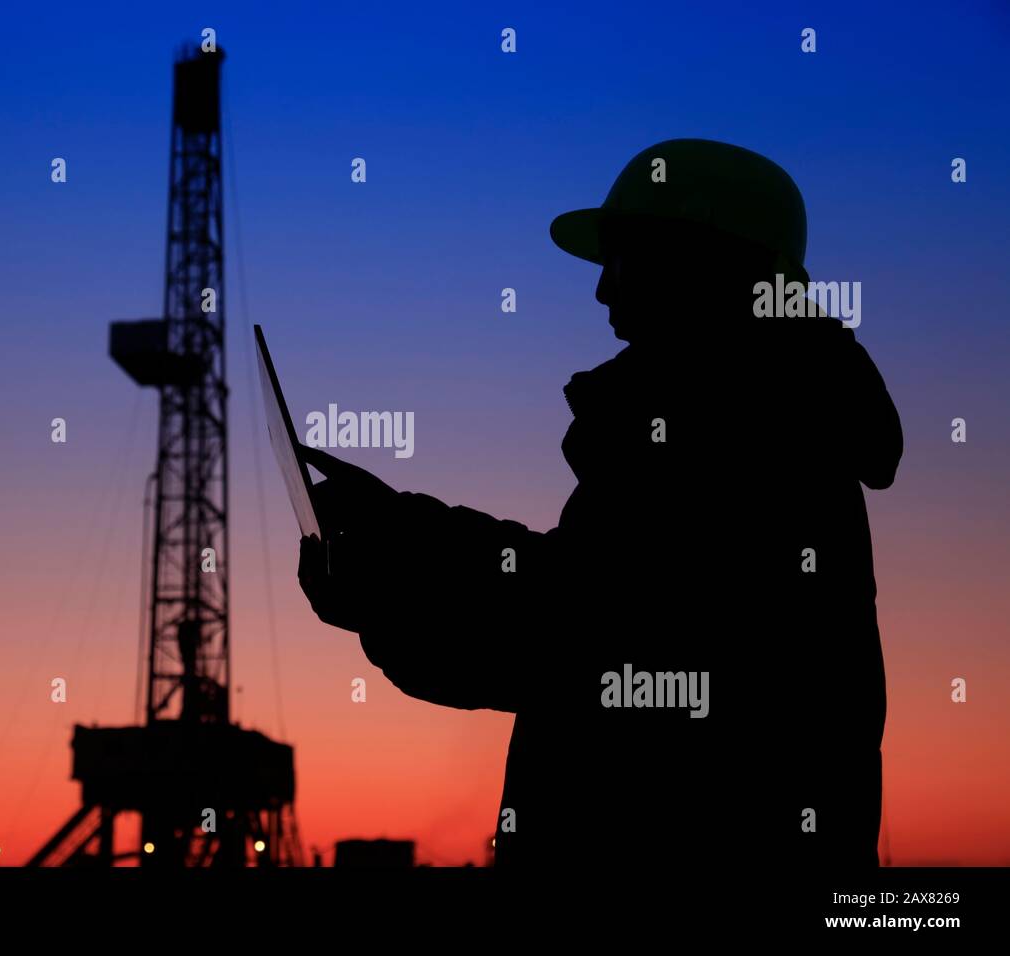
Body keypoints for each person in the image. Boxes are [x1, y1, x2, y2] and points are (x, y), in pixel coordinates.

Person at [297, 139, 903, 870]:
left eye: (623, 258)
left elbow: (572, 645)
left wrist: (386, 593)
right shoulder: (757, 413)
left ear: (699, 263)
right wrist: (405, 525)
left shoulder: (739, 431)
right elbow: (583, 597)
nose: (602, 291)